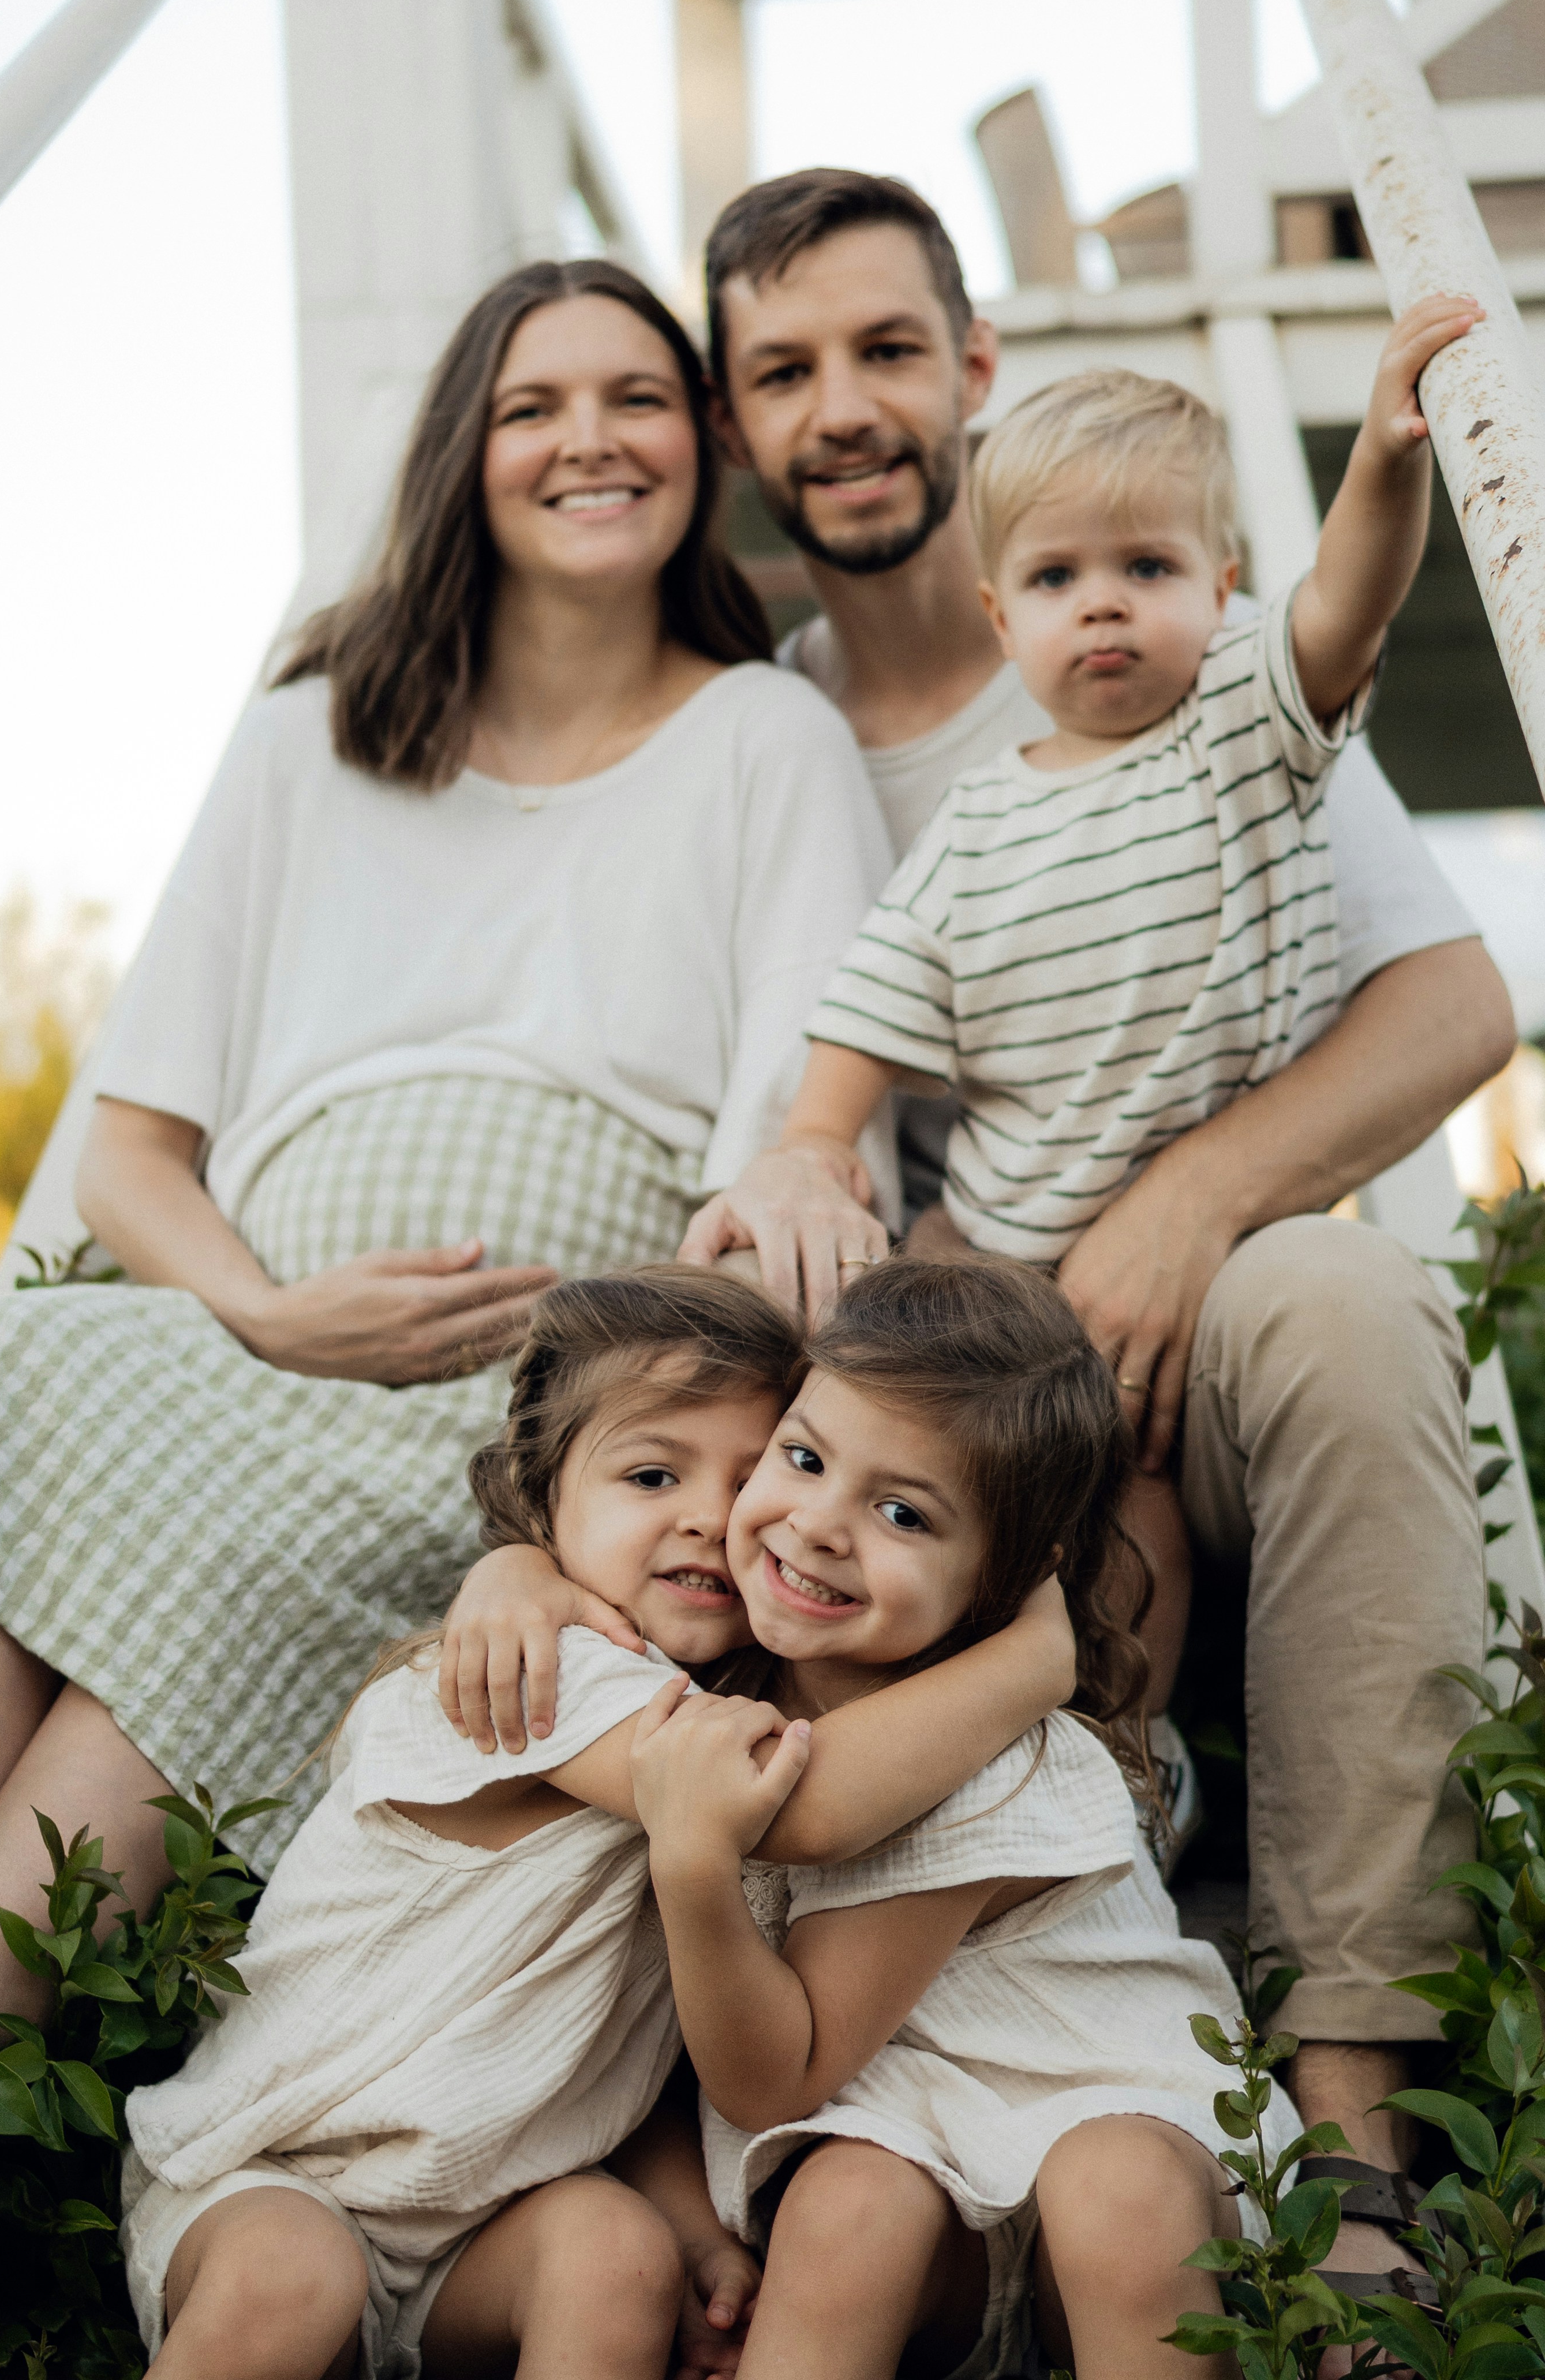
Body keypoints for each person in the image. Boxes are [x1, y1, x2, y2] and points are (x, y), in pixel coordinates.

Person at [0, 258, 900, 2372]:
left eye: (642, 396)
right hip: (264, 1325)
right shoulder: (313, 738)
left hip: (554, 1365)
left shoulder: (765, 738)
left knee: (210, 1563)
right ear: (464, 452)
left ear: (701, 449)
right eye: (536, 401)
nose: (592, 438)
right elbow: (129, 1150)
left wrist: (599, 1384)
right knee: (17, 1367)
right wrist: (269, 1314)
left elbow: (786, 1146)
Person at [679, 167, 1514, 2293]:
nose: (842, 403)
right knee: (1003, 1479)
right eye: (782, 368)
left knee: (1323, 1288)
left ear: (973, 369)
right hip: (952, 1332)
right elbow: (828, 1072)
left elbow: (1454, 999)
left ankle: (1354, 2130)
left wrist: (1181, 1202)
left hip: (1197, 1293)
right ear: (731, 419)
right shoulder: (761, 740)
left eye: (887, 347)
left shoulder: (1203, 688)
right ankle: (987, 1971)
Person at [118, 1268, 1078, 2380]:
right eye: (652, 1473)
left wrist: (694, 2231)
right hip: (269, 2181)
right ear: (545, 1499)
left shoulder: (713, 1712)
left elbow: (630, 2060)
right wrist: (1032, 1660)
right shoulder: (541, 1675)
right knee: (297, 2280)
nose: (711, 1519)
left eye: (757, 1469)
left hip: (484, 2231)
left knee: (618, 2257)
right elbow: (806, 1806)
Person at [770, 312, 1482, 1739]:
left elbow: (1348, 602)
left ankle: (1127, 1755)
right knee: (999, 1505)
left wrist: (1388, 464)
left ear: (1222, 591)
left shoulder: (1246, 731)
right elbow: (870, 1000)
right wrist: (812, 1139)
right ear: (1001, 616)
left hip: (1186, 1273)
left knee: (1135, 1496)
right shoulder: (981, 823)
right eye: (1057, 577)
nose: (1103, 607)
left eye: (1147, 569)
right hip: (1000, 1259)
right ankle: (981, 1753)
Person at [633, 1256, 1311, 2380]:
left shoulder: (993, 1767)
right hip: (913, 2144)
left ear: (1003, 1579)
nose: (819, 1525)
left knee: (1117, 2194)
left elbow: (775, 2075)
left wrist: (694, 1863)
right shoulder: (737, 1662)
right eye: (802, 1458)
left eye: (903, 1511)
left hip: (1127, 2144)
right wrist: (514, 1578)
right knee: (849, 2200)